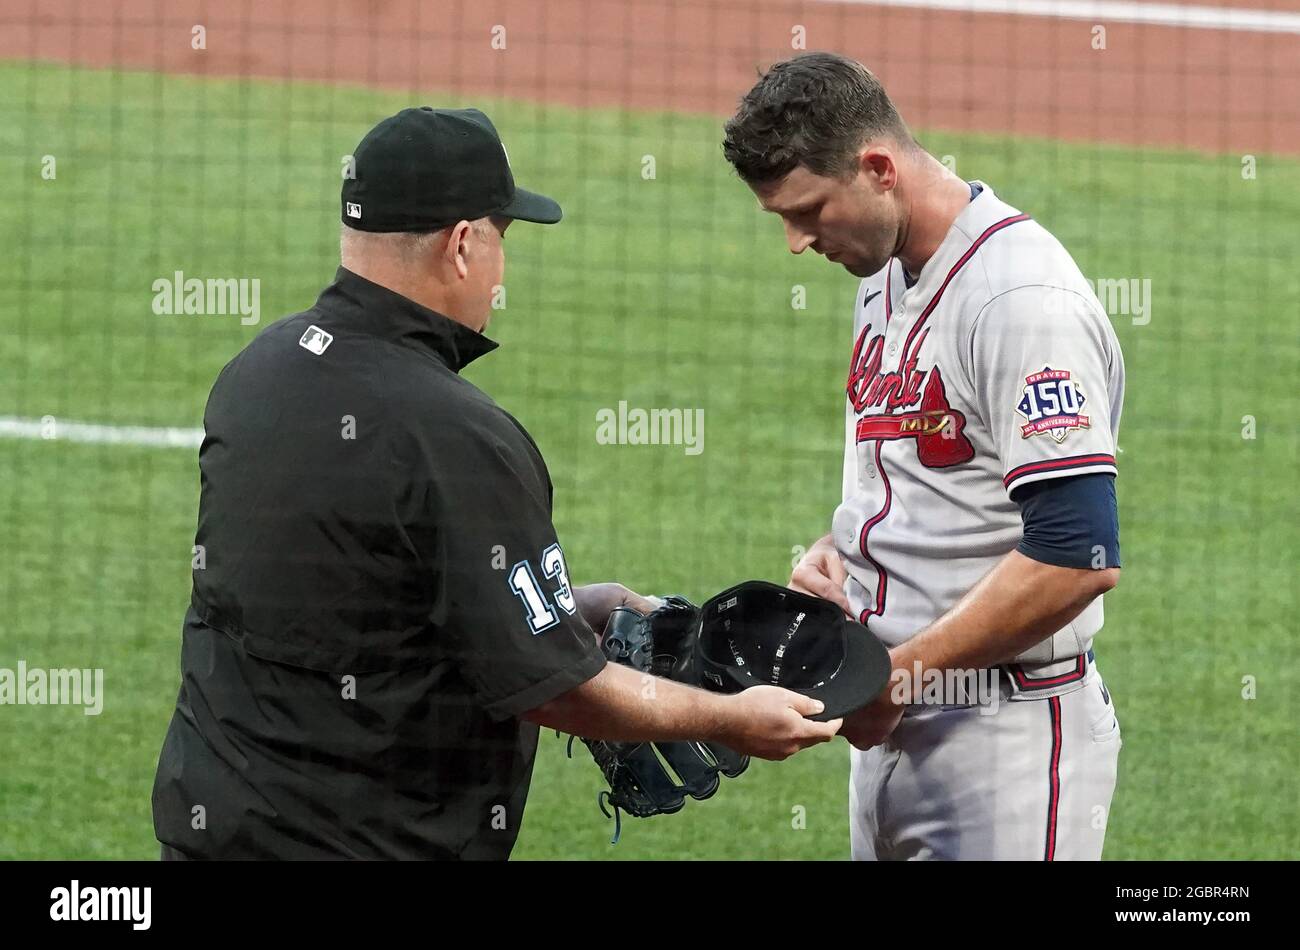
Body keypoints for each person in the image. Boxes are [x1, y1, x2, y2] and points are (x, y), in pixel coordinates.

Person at [152, 106, 839, 861]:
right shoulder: (455, 435)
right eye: (501, 241)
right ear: (461, 244)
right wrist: (728, 716)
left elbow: (358, 608)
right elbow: (555, 688)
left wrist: (572, 607)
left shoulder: (257, 374)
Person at [723, 54, 1124, 860]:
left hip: (1002, 742)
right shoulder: (885, 270)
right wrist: (844, 552)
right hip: (894, 722)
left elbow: (1077, 553)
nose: (798, 242)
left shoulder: (1020, 299)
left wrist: (898, 676)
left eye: (807, 211)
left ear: (878, 169)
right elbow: (929, 475)